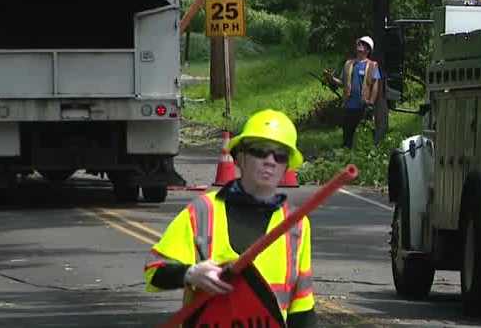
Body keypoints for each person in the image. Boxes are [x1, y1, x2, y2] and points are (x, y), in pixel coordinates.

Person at [144, 110, 316, 328]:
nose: (270, 161)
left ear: (286, 166)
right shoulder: (203, 211)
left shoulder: (296, 224)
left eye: (280, 155)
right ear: (240, 157)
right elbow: (155, 271)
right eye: (260, 151)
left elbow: (301, 308)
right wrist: (190, 274)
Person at [325, 36, 381, 149]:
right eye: (359, 43)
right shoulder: (348, 64)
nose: (359, 45)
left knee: (365, 136)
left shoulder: (372, 65)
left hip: (364, 106)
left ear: (368, 50)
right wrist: (331, 78)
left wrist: (371, 103)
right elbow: (342, 83)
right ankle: (346, 156)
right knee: (347, 136)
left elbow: (375, 86)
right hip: (349, 106)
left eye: (363, 44)